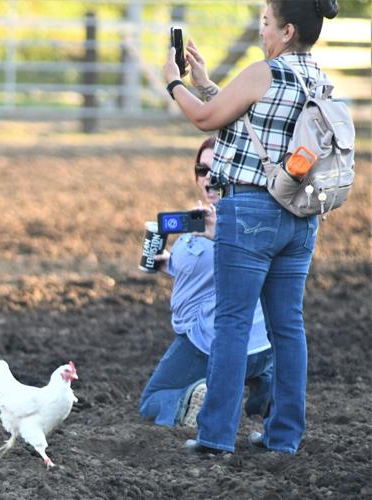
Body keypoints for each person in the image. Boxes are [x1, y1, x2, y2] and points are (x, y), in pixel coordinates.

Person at [164, 0, 339, 454]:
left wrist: (174, 83)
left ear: (286, 31)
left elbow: (206, 119)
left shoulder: (264, 72)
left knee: (232, 323)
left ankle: (215, 436)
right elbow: (251, 121)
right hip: (300, 215)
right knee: (288, 328)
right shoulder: (319, 78)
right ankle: (284, 437)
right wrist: (205, 84)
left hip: (249, 212)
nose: (262, 31)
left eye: (266, 22)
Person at [139, 137, 273, 428]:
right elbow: (209, 271)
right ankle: (263, 394)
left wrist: (218, 234)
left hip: (210, 342)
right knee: (255, 373)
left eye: (218, 169)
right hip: (263, 344)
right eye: (202, 169)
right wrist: (168, 263)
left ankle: (193, 399)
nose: (209, 177)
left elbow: (243, 260)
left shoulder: (236, 223)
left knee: (152, 401)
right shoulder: (223, 217)